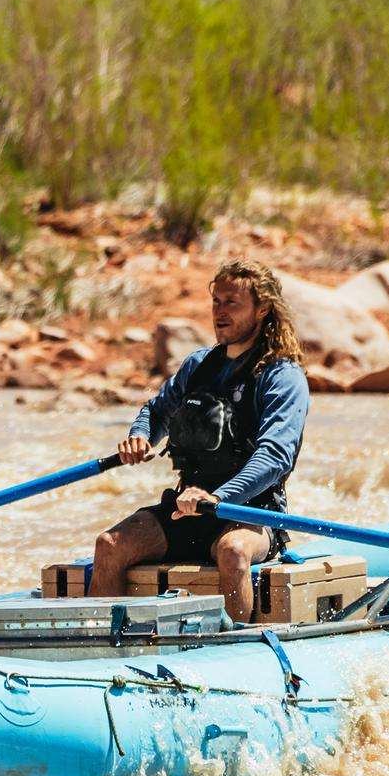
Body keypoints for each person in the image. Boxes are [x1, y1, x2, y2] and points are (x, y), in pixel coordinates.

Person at [88, 261, 309, 626]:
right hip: (186, 508)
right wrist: (139, 436)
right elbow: (156, 412)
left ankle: (233, 652)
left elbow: (275, 456)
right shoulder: (199, 365)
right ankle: (102, 648)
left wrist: (219, 498)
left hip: (251, 514)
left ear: (263, 309)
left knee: (232, 551)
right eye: (216, 301)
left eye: (232, 303)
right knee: (109, 545)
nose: (220, 312)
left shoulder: (282, 376)